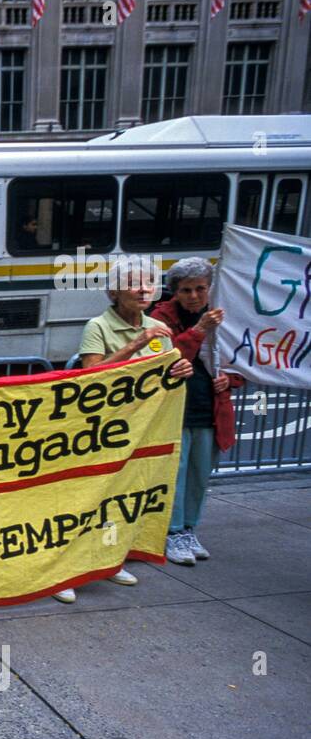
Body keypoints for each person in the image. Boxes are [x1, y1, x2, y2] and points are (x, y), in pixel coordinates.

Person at [54, 260, 195, 604]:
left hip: (136, 432)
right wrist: (137, 343)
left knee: (119, 498)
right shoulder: (98, 326)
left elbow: (162, 372)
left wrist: (180, 369)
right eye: (134, 283)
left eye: (149, 282)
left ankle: (108, 561)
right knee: (82, 501)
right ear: (115, 291)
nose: (145, 289)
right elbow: (91, 376)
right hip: (97, 431)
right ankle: (62, 574)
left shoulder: (157, 326)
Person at [149, 257, 240, 568]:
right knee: (176, 473)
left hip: (211, 411)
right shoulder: (161, 317)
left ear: (209, 289)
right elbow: (168, 357)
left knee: (200, 475)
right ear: (175, 291)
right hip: (176, 411)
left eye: (200, 289)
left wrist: (231, 379)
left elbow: (239, 358)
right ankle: (172, 532)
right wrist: (199, 329)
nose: (194, 296)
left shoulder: (223, 313)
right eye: (186, 290)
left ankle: (189, 528)